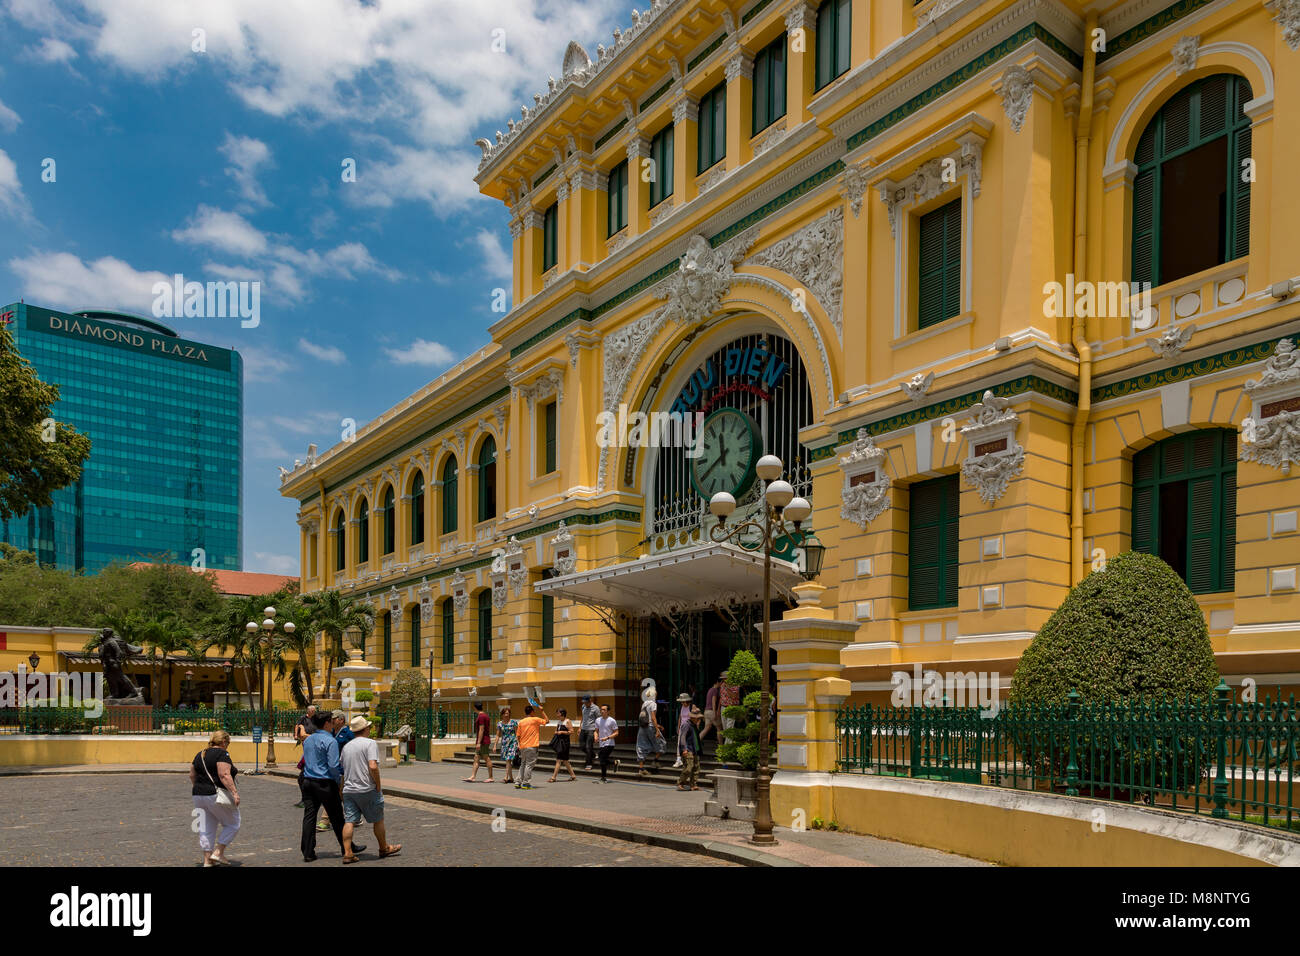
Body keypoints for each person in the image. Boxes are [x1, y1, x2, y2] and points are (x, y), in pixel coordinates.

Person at [300, 711, 365, 861]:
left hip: (308, 781)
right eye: (331, 721)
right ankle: (347, 847)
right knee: (337, 817)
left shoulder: (308, 740)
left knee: (309, 816)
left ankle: (308, 851)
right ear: (327, 723)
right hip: (325, 782)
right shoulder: (330, 741)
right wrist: (336, 781)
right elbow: (333, 765)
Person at [340, 716, 401, 863]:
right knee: (378, 820)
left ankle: (348, 852)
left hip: (349, 789)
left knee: (349, 821)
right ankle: (383, 848)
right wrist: (378, 784)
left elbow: (342, 770)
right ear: (366, 729)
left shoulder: (347, 746)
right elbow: (373, 766)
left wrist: (341, 789)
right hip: (367, 788)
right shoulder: (370, 743)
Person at [189, 730, 240, 866]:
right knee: (233, 823)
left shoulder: (200, 754)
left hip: (198, 794)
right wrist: (234, 793)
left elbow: (192, 775)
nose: (228, 745)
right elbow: (224, 775)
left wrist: (199, 787)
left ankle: (207, 861)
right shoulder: (222, 754)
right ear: (223, 742)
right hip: (215, 795)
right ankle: (218, 852)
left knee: (206, 827)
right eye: (228, 743)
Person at [319, 710, 356, 831]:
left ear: (341, 720)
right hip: (334, 768)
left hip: (343, 768)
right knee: (341, 795)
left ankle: (325, 820)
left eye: (334, 719)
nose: (332, 721)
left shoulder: (348, 733)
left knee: (334, 794)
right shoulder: (332, 732)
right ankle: (354, 816)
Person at [514, 701, 548, 789]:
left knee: (523, 764)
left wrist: (519, 745)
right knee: (529, 765)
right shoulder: (535, 719)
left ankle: (518, 782)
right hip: (532, 746)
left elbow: (518, 735)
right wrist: (542, 711)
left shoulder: (521, 722)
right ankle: (526, 783)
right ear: (532, 712)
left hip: (523, 746)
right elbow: (547, 721)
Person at [293, 704, 318, 809]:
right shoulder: (303, 718)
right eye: (312, 711)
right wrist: (296, 735)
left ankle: (308, 799)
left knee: (303, 778)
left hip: (313, 747)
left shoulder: (316, 720)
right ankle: (307, 799)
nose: (314, 712)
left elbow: (303, 735)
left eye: (314, 711)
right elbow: (298, 727)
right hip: (307, 745)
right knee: (302, 778)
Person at [636, 687, 665, 776]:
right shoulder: (653, 704)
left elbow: (645, 717)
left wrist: (658, 726)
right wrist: (657, 729)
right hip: (651, 727)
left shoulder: (644, 703)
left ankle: (641, 768)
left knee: (641, 746)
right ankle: (655, 760)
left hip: (642, 727)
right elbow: (653, 717)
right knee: (662, 743)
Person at [464, 701, 494, 782]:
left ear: (475, 708)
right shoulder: (486, 716)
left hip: (483, 741)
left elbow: (481, 729)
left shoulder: (481, 716)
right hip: (484, 740)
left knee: (486, 758)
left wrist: (478, 742)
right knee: (476, 758)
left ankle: (491, 777)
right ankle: (473, 776)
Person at [677, 706, 704, 791]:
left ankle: (693, 784)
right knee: (689, 767)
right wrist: (684, 749)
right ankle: (681, 782)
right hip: (688, 749)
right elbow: (682, 738)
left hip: (695, 749)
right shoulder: (686, 725)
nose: (698, 720)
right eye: (697, 718)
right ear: (692, 717)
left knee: (696, 767)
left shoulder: (694, 726)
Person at [547, 708, 578, 782]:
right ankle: (573, 776)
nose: (557, 714)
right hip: (559, 742)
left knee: (559, 759)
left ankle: (553, 777)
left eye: (558, 713)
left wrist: (562, 732)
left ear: (562, 713)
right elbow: (556, 730)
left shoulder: (567, 721)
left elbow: (571, 731)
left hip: (565, 743)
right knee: (565, 760)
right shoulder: (559, 722)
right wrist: (557, 732)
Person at [594, 703, 620, 783]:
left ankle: (603, 777)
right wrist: (595, 736)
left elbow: (616, 733)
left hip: (610, 743)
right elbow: (596, 731)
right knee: (602, 759)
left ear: (608, 711)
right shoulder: (598, 720)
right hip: (601, 743)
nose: (602, 711)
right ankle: (615, 762)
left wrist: (608, 737)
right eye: (601, 709)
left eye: (604, 710)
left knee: (602, 759)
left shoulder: (612, 721)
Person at [495, 706, 519, 784]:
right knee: (507, 760)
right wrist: (495, 745)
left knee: (508, 759)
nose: (506, 715)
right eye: (505, 713)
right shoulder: (499, 724)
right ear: (502, 714)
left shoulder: (513, 722)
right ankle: (511, 778)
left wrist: (518, 743)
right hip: (504, 743)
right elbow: (498, 735)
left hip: (513, 742)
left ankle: (506, 777)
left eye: (508, 713)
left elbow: (517, 733)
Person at [578, 695, 600, 770]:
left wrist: (597, 732)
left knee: (588, 747)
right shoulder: (583, 706)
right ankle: (593, 755)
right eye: (584, 702)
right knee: (581, 746)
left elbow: (598, 720)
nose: (585, 703)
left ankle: (589, 763)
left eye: (586, 702)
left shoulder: (596, 708)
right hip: (583, 729)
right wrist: (580, 727)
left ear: (590, 700)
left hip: (591, 729)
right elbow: (583, 717)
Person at [700, 676, 722, 744]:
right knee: (719, 728)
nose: (721, 684)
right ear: (717, 682)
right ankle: (721, 746)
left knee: (706, 728)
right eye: (721, 682)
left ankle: (695, 743)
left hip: (706, 711)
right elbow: (713, 702)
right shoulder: (715, 690)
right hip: (712, 711)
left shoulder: (710, 690)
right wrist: (715, 713)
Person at [672, 692, 691, 769]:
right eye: (681, 702)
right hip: (682, 727)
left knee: (687, 744)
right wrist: (678, 727)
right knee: (679, 743)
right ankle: (678, 759)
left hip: (689, 727)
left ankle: (687, 760)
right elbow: (680, 717)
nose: (682, 703)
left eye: (684, 702)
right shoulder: (682, 707)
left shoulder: (691, 707)